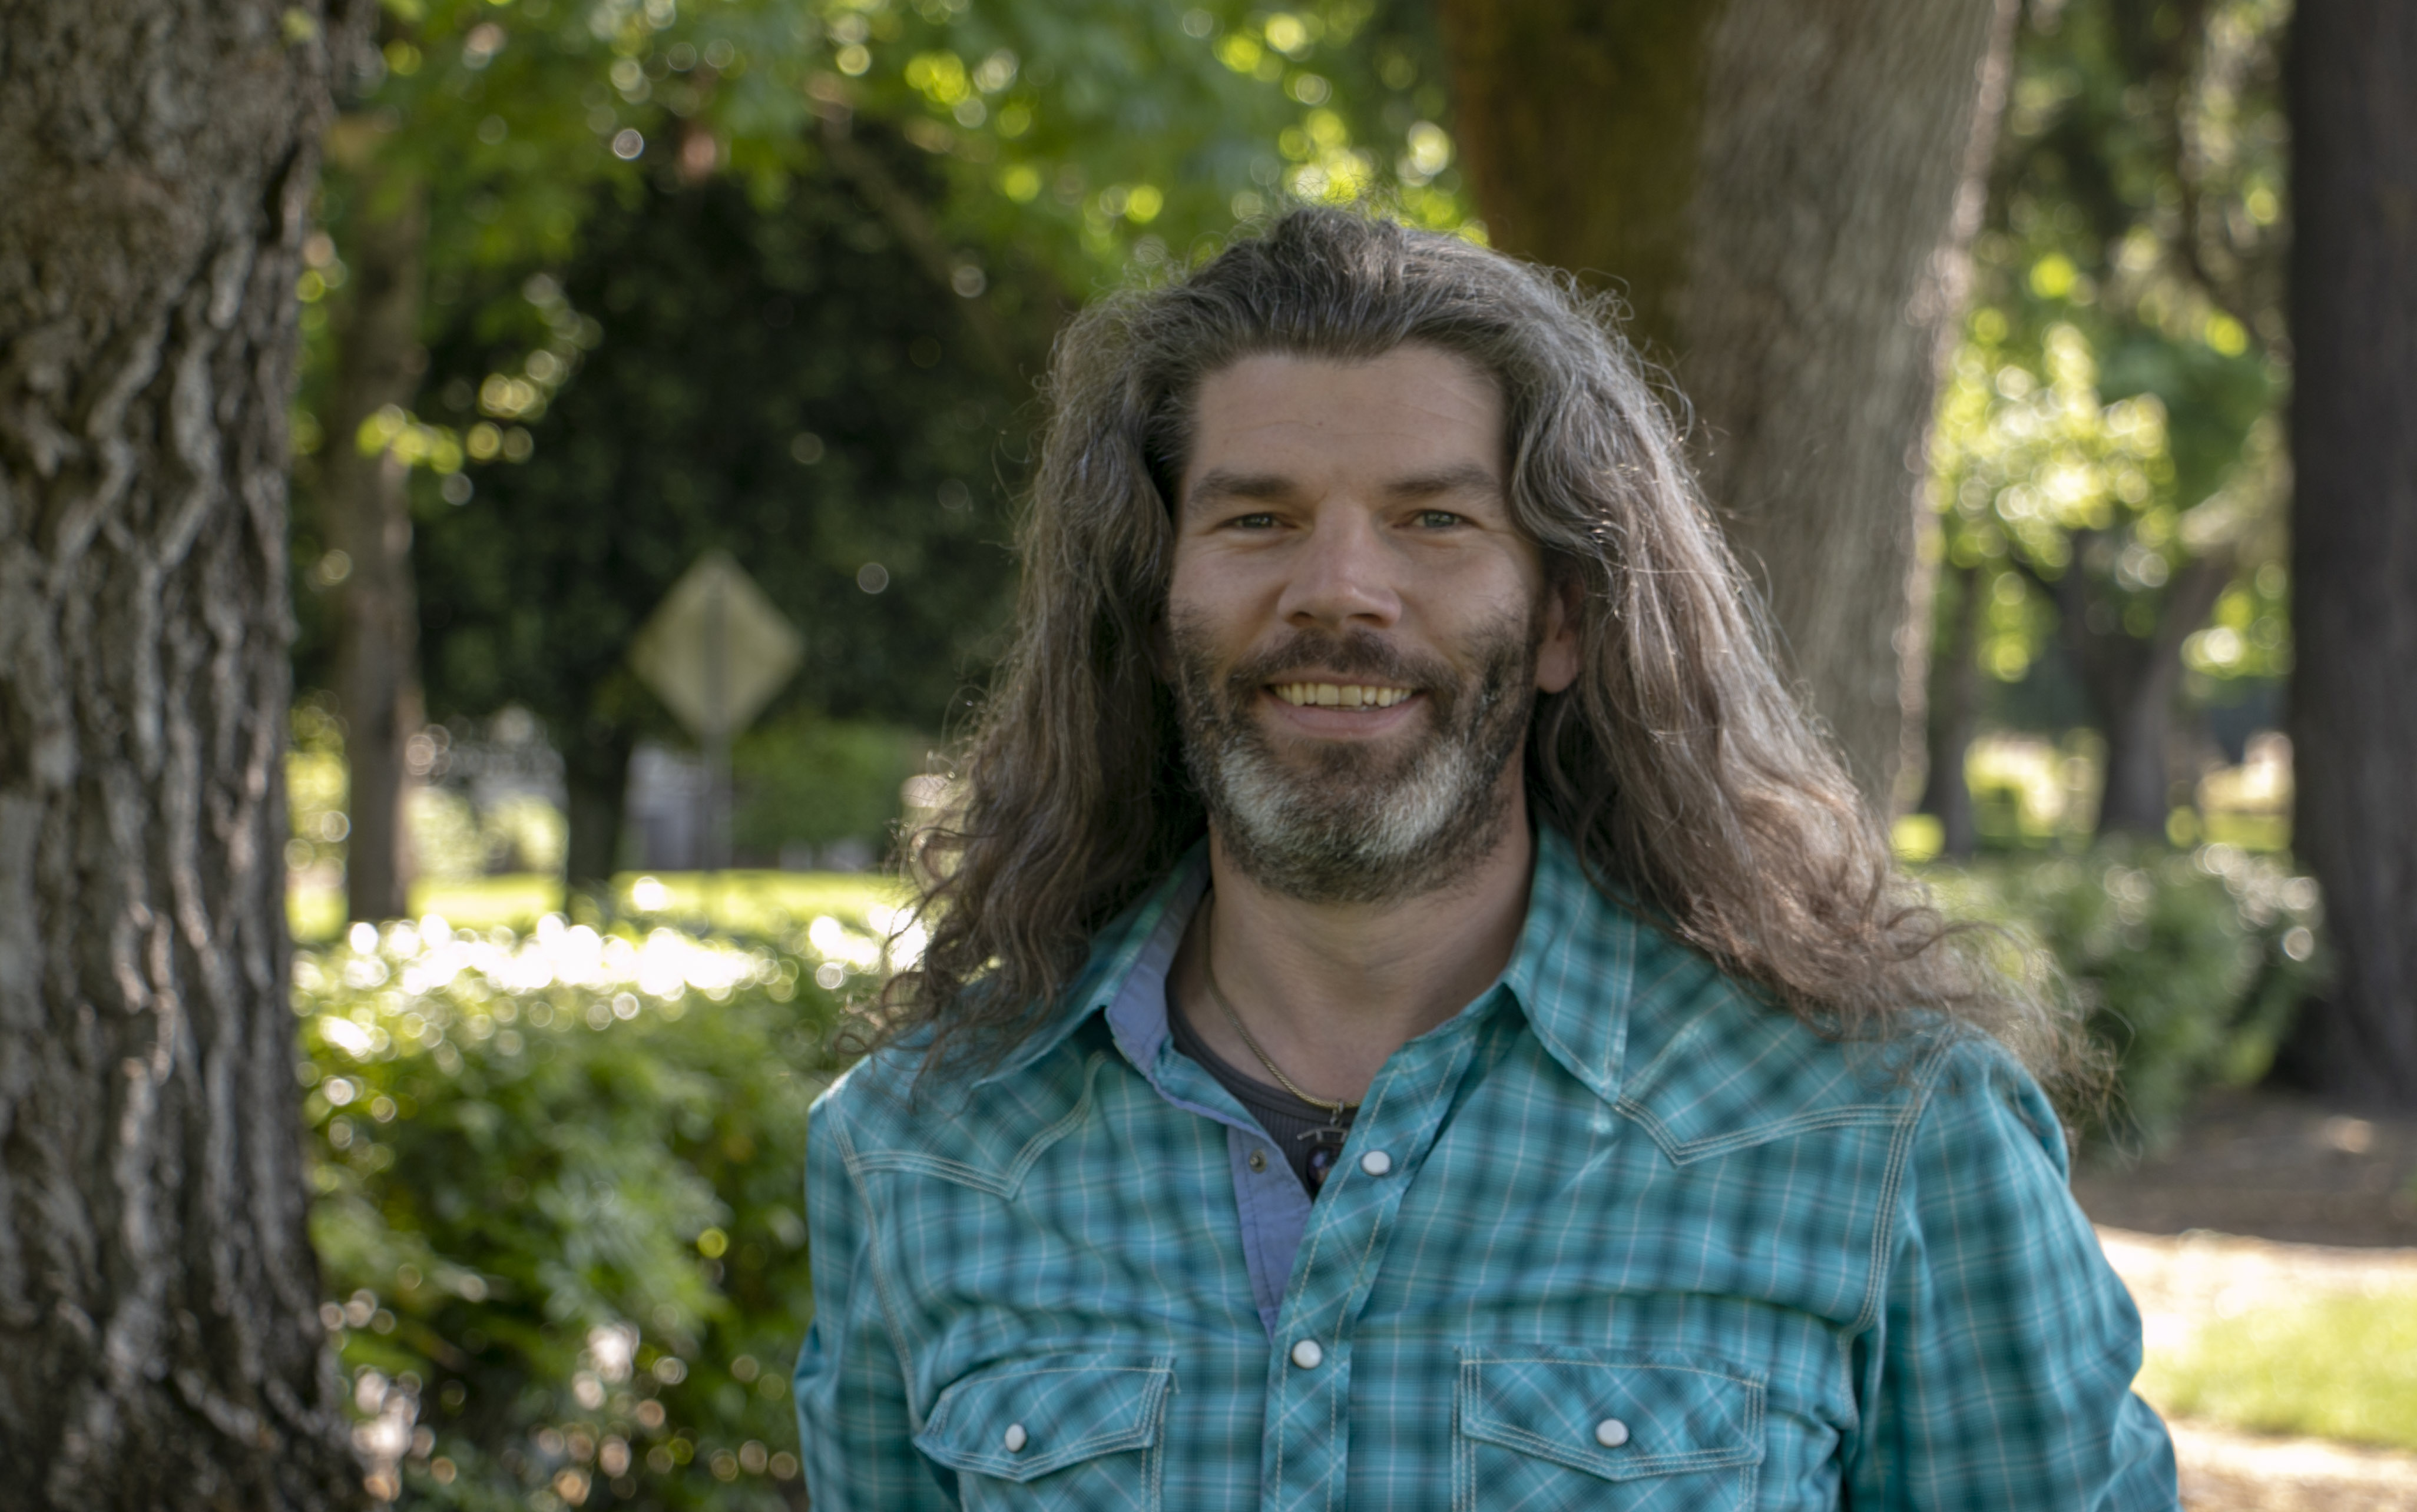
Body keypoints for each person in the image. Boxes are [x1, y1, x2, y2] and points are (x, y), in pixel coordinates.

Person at [793, 208, 2178, 1509]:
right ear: (1154, 614)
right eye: (1257, 518)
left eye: (1434, 521)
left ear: (1567, 620)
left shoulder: (1885, 1136)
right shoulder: (921, 1148)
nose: (1339, 587)